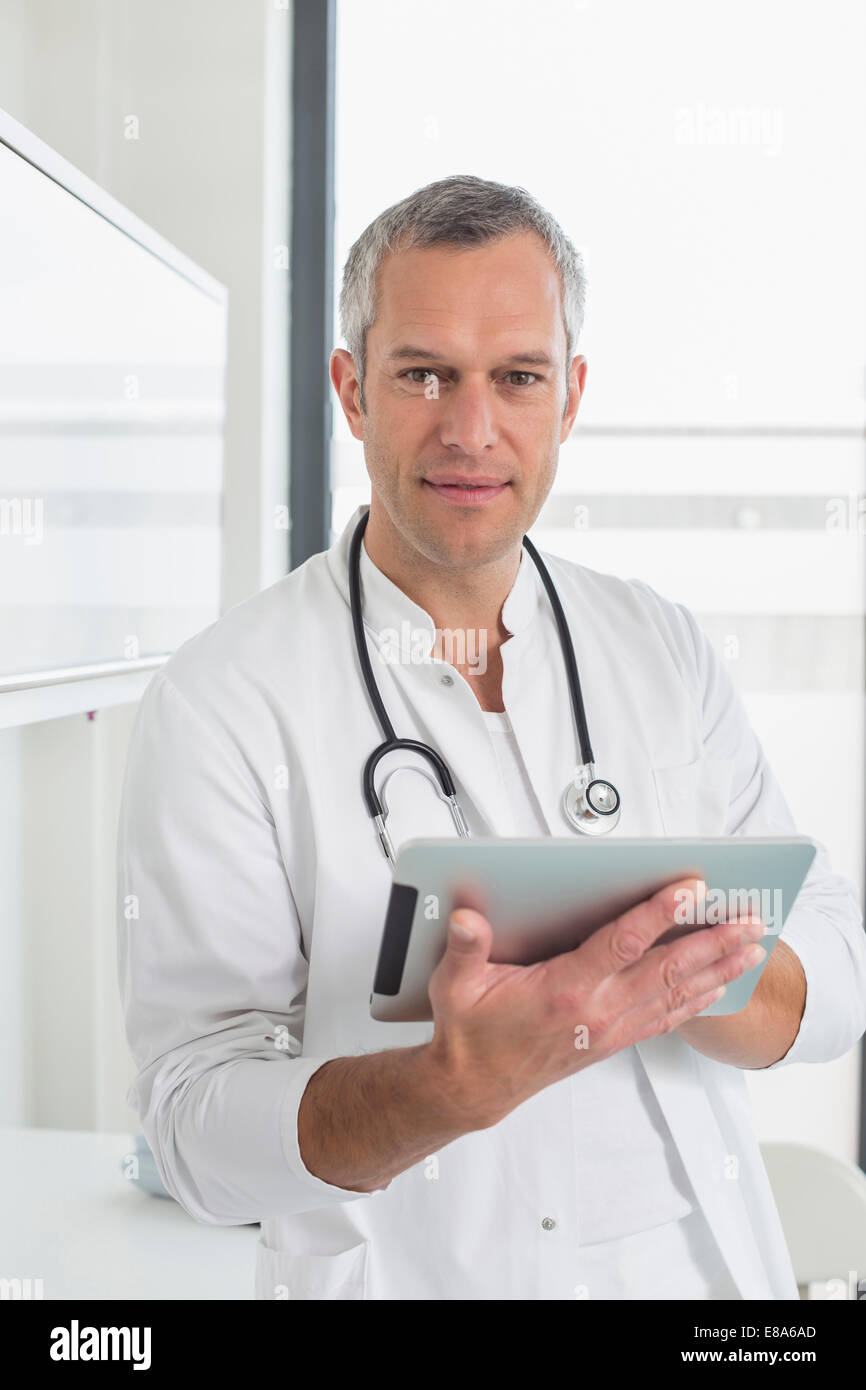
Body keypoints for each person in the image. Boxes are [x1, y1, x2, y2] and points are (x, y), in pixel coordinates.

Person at [117, 174, 866, 1301]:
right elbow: (192, 1128)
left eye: (514, 377)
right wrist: (442, 1087)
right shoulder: (223, 702)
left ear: (565, 397)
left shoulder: (658, 644)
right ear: (350, 390)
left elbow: (838, 967)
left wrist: (697, 976)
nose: (471, 431)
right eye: (423, 373)